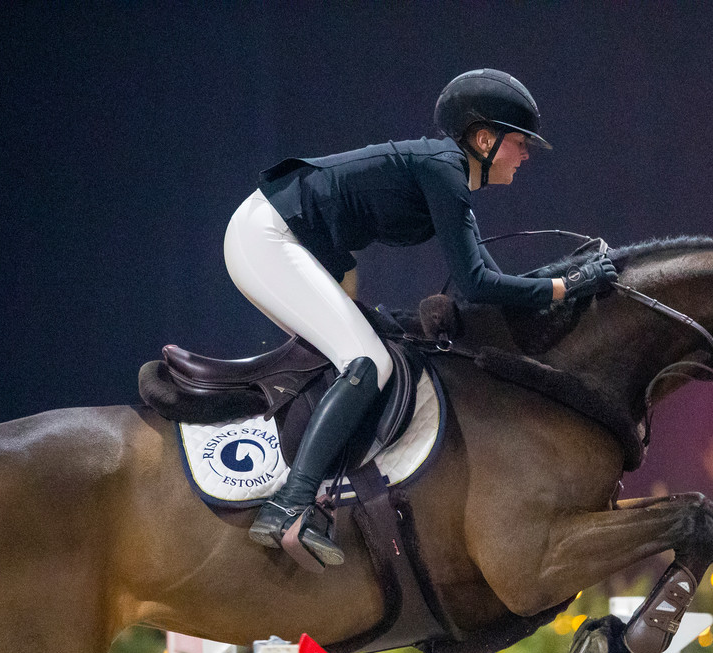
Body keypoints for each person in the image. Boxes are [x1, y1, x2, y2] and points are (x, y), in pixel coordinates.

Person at [224, 68, 618, 567]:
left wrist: (568, 286)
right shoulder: (443, 169)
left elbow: (491, 288)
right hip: (268, 236)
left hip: (303, 244)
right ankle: (288, 505)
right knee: (368, 362)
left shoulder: (448, 177)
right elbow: (477, 284)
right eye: (520, 143)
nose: (526, 155)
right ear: (483, 138)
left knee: (370, 355)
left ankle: (317, 496)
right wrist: (571, 284)